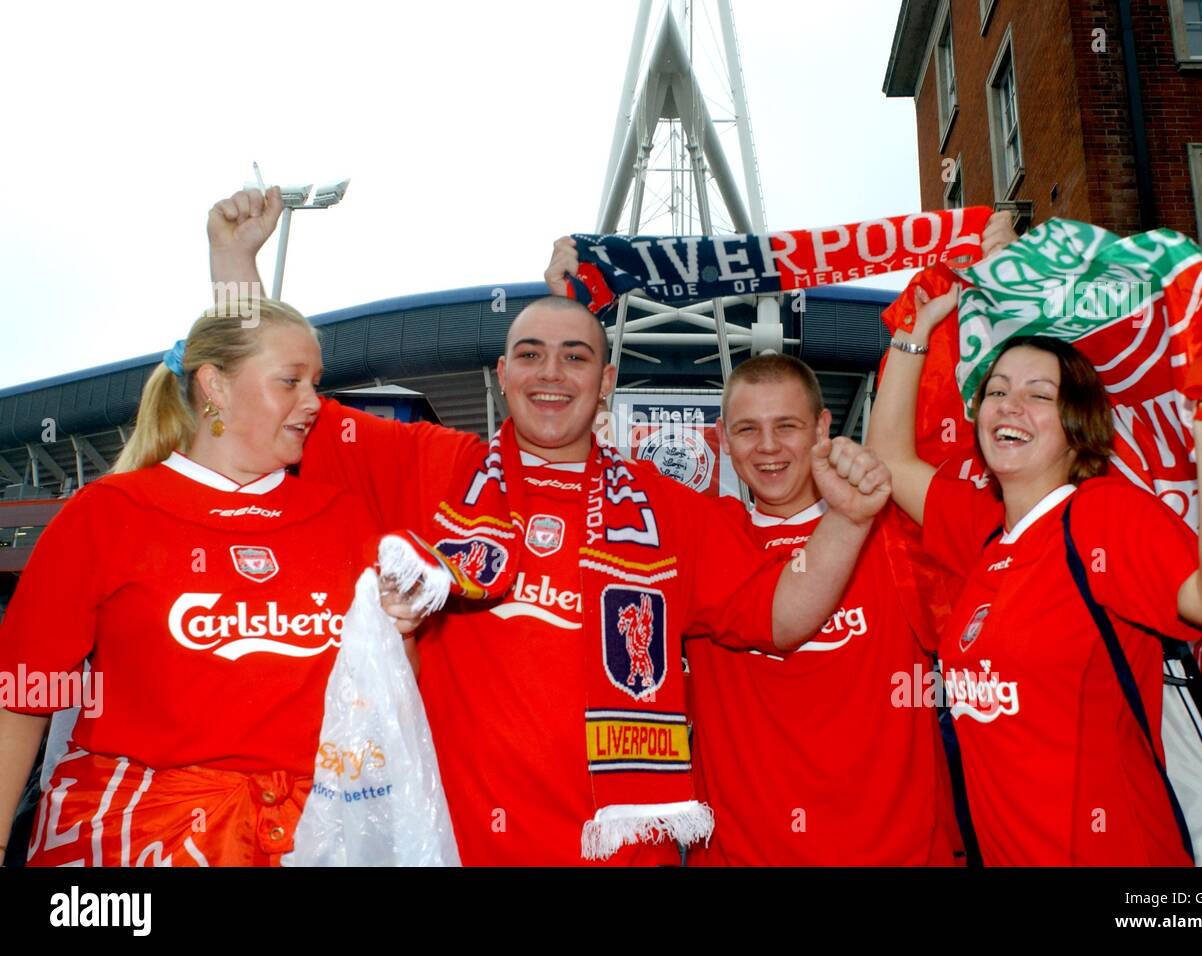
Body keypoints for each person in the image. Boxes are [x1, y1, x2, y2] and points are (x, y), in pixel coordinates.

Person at [208, 189, 893, 866]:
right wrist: (234, 267)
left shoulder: (667, 509)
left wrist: (848, 520)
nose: (551, 374)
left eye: (575, 356)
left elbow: (779, 614)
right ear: (503, 374)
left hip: (623, 855)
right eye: (531, 354)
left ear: (607, 380)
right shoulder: (433, 470)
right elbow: (266, 401)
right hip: (466, 850)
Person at [866, 282, 1202, 866]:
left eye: (1038, 395)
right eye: (998, 391)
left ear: (1076, 422)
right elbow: (889, 458)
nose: (1009, 405)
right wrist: (919, 328)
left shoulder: (1101, 515)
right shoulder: (985, 534)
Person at [0, 299, 381, 867]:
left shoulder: (345, 519)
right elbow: (24, 699)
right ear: (214, 387)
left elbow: (384, 693)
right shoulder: (105, 514)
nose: (313, 404)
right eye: (291, 382)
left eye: (316, 383)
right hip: (140, 839)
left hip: (314, 839)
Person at [683, 352, 962, 865]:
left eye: (787, 426)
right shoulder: (701, 539)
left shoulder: (898, 534)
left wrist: (912, 336)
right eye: (747, 429)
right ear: (722, 437)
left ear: (822, 426)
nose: (767, 447)